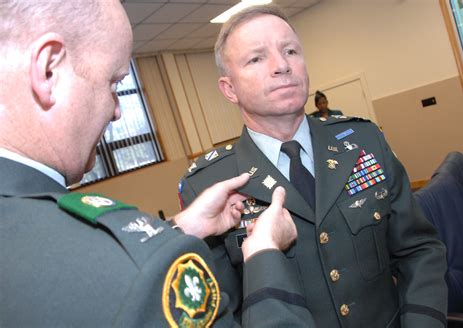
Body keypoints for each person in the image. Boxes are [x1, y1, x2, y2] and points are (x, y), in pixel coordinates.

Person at [0, 1, 315, 326]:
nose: (117, 111)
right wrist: (264, 254)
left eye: (291, 52)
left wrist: (178, 229)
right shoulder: (138, 266)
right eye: (113, 83)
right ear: (48, 70)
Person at [178, 4, 448, 327]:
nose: (281, 66)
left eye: (290, 51)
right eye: (256, 58)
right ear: (229, 89)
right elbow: (221, 314)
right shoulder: (209, 187)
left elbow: (420, 250)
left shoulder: (363, 141)